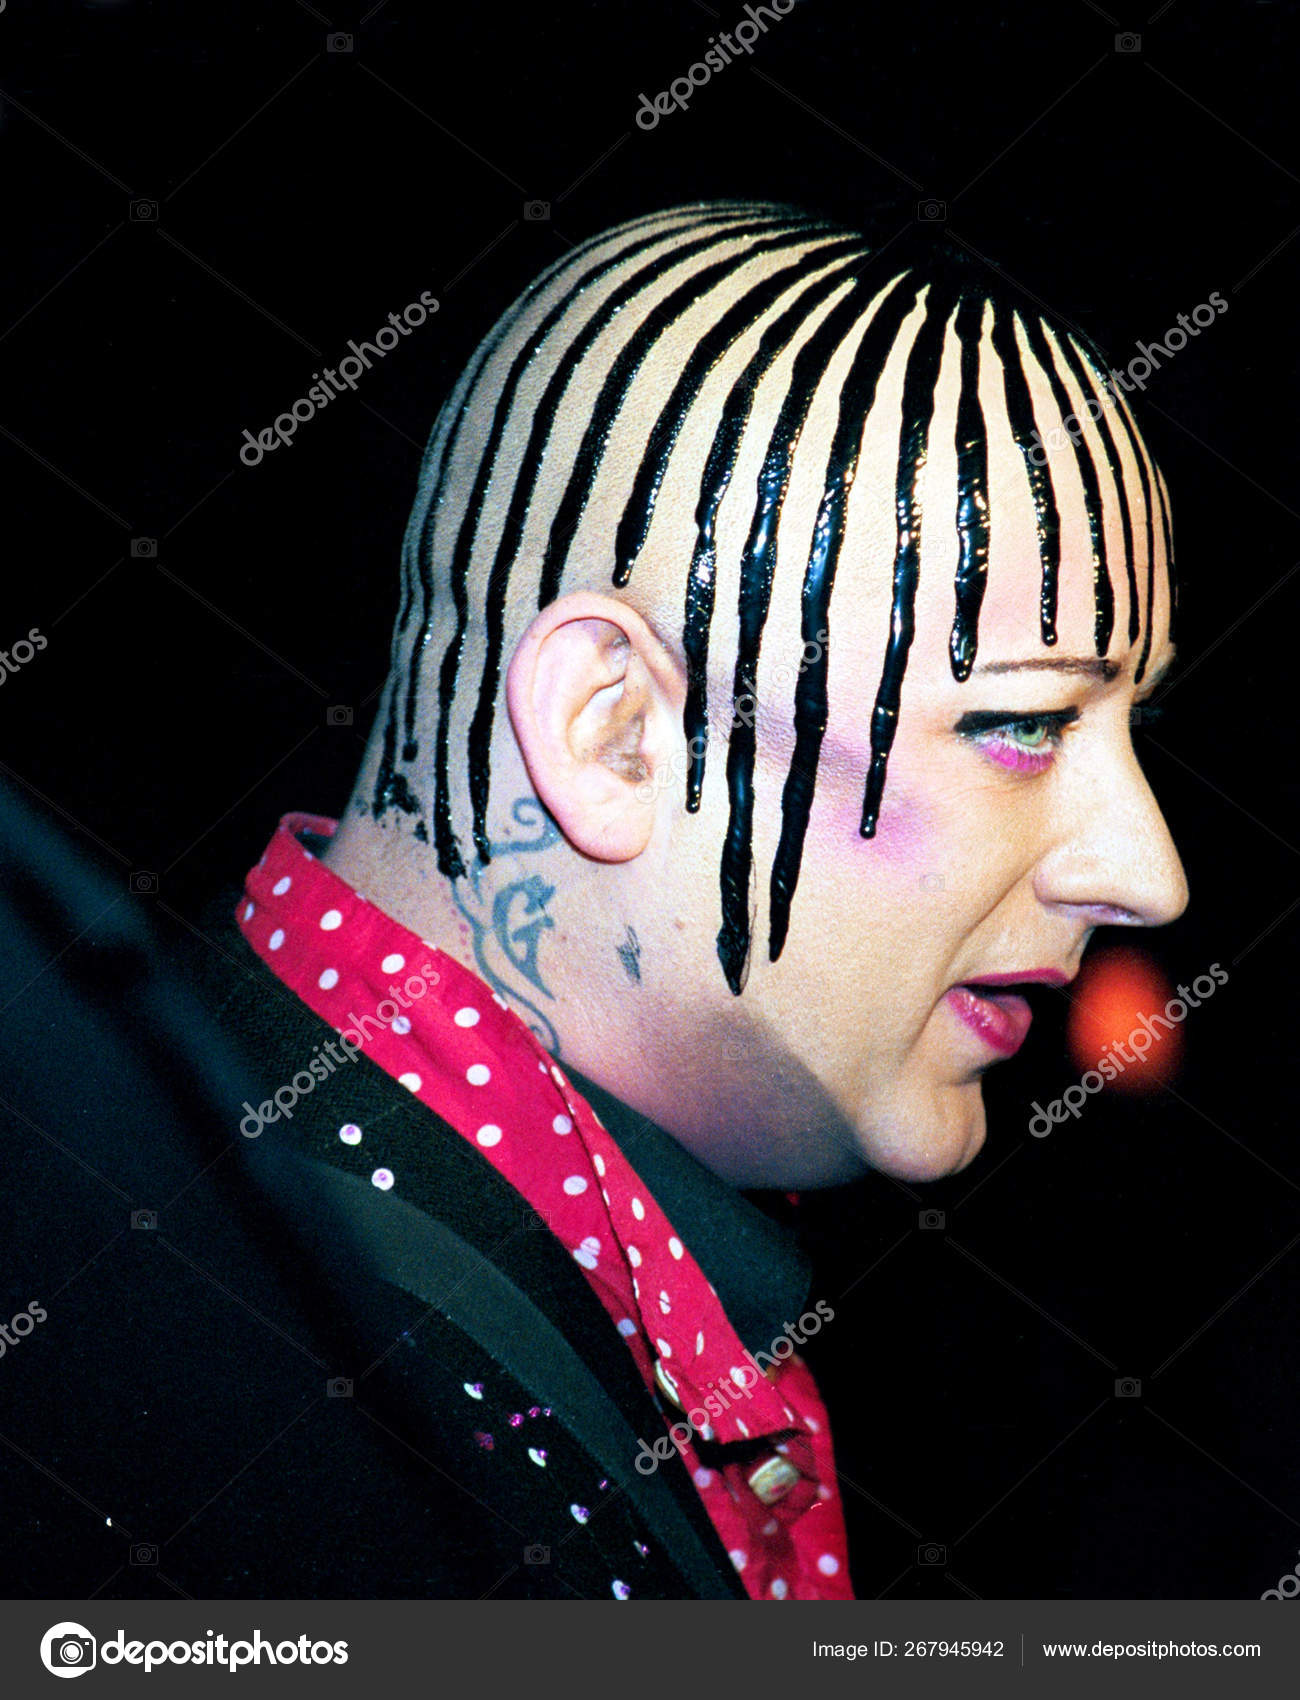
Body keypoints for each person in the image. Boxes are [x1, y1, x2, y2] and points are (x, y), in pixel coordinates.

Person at [3, 201, 1186, 1602]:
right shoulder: (297, 1407)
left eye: (1129, 729)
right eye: (1023, 724)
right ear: (615, 734)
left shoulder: (261, 1239)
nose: (1146, 870)